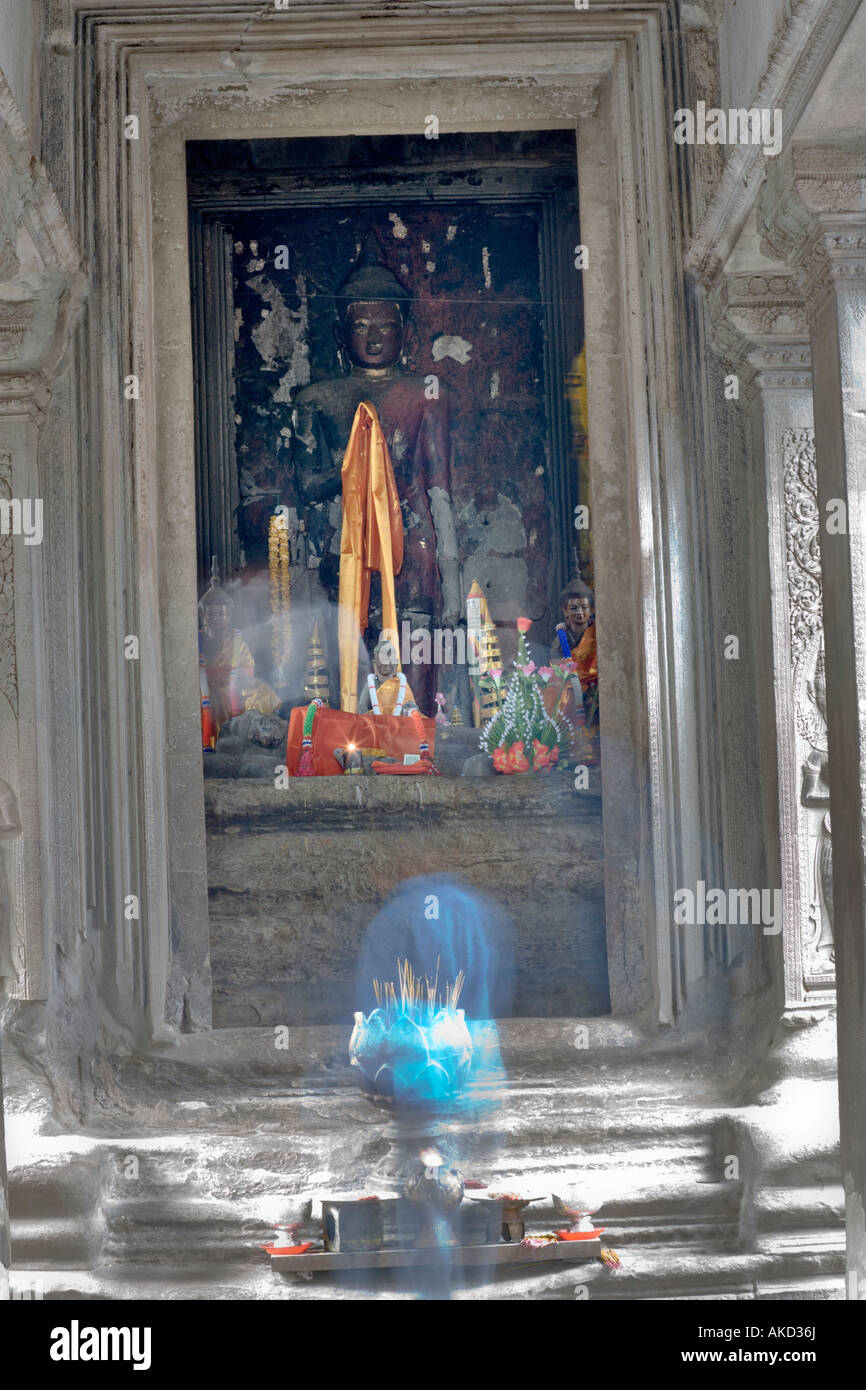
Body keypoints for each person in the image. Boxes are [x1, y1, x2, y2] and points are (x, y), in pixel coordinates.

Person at [291, 231, 461, 713]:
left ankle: (416, 742)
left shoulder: (428, 394)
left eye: (385, 325)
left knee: (413, 646)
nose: (372, 335)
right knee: (348, 648)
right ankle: (349, 746)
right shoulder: (316, 399)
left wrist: (452, 575)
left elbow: (440, 489)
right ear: (340, 333)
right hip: (343, 541)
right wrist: (359, 465)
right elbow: (307, 486)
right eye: (360, 324)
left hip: (413, 539)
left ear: (404, 331)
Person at [551, 579, 598, 726]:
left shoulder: (597, 634)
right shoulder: (560, 640)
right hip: (571, 689)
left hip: (595, 688)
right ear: (565, 610)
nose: (579, 612)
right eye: (573, 608)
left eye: (584, 607)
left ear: (591, 609)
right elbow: (557, 672)